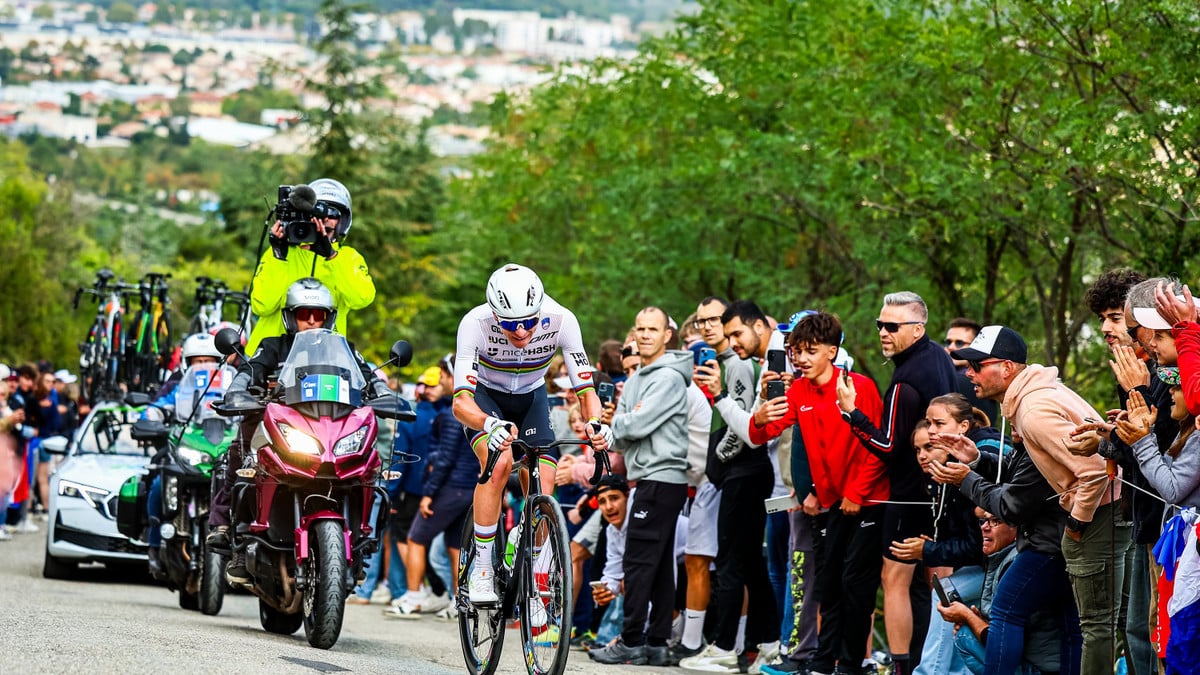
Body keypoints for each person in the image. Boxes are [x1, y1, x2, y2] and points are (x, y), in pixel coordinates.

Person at [950, 325, 1122, 674]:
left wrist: (1076, 525)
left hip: (1079, 528)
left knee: (1008, 610)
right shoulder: (1034, 397)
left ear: (1007, 368)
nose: (969, 373)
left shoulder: (1033, 409)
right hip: (1083, 525)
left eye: (977, 365)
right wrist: (980, 461)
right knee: (1075, 624)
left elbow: (1093, 472)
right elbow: (1035, 472)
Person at [208, 278, 390, 583]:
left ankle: (360, 543)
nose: (312, 320)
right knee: (241, 455)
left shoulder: (344, 349)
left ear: (329, 317)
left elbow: (368, 376)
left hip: (330, 425)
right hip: (282, 420)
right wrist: (239, 389)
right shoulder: (272, 346)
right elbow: (250, 370)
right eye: (305, 313)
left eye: (319, 314)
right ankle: (231, 529)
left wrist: (383, 391)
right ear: (290, 316)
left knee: (371, 465)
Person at [452, 263, 608, 605]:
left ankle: (530, 558)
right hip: (487, 398)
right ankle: (482, 568)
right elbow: (461, 403)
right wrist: (489, 424)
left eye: (529, 322)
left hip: (532, 397)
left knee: (544, 481)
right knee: (499, 464)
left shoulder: (562, 320)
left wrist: (595, 423)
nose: (521, 332)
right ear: (495, 315)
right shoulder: (474, 323)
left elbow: (586, 391)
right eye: (510, 324)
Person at [749, 310, 887, 675]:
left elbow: (876, 448)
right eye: (796, 351)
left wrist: (857, 493)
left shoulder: (858, 386)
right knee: (829, 584)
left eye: (810, 350)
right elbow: (764, 432)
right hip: (832, 503)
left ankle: (852, 663)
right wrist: (758, 418)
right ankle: (825, 661)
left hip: (867, 501)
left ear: (832, 350)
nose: (801, 358)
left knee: (856, 585)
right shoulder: (798, 390)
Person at [836, 291, 958, 675]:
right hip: (943, 489)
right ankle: (934, 664)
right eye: (880, 325)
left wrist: (851, 412)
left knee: (895, 581)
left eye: (892, 326)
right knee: (936, 582)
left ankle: (904, 667)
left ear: (917, 329)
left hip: (909, 496)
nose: (883, 333)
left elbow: (888, 446)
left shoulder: (906, 381)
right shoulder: (938, 356)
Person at [588, 307, 690, 667]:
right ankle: (657, 643)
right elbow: (622, 431)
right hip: (647, 477)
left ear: (667, 335)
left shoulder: (670, 378)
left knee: (637, 561)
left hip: (663, 477)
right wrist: (618, 424)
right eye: (641, 329)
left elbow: (635, 424)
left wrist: (618, 424)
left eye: (653, 329)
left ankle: (631, 640)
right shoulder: (636, 379)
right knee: (659, 566)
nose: (645, 335)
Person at [686, 300, 779, 672]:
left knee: (730, 562)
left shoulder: (739, 363)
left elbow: (743, 426)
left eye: (716, 321)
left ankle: (725, 647)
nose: (708, 327)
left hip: (744, 472)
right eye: (702, 322)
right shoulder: (729, 361)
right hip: (742, 473)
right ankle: (769, 643)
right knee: (751, 564)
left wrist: (720, 461)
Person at [244, 177, 375, 354]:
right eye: (319, 212)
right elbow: (261, 306)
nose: (325, 219)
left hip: (326, 357)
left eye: (333, 213)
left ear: (343, 221)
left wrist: (331, 256)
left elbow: (361, 298)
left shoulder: (348, 257)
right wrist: (279, 256)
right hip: (271, 358)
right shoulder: (280, 253)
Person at [935, 509, 1062, 675]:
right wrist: (977, 619)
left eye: (995, 521)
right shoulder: (1006, 558)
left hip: (1040, 668)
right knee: (967, 630)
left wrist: (968, 617)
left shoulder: (1017, 564)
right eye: (983, 521)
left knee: (964, 636)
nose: (985, 527)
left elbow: (1006, 641)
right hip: (1039, 660)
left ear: (1018, 530)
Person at [143, 333, 225, 578]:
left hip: (219, 448)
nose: (203, 365)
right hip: (184, 447)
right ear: (186, 363)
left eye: (209, 360)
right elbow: (156, 408)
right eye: (198, 361)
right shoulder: (176, 385)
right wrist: (151, 419)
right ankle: (154, 545)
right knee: (158, 484)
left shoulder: (230, 383)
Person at [943, 318, 999, 425]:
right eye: (948, 342)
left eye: (959, 343)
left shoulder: (970, 380)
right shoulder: (949, 375)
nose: (951, 347)